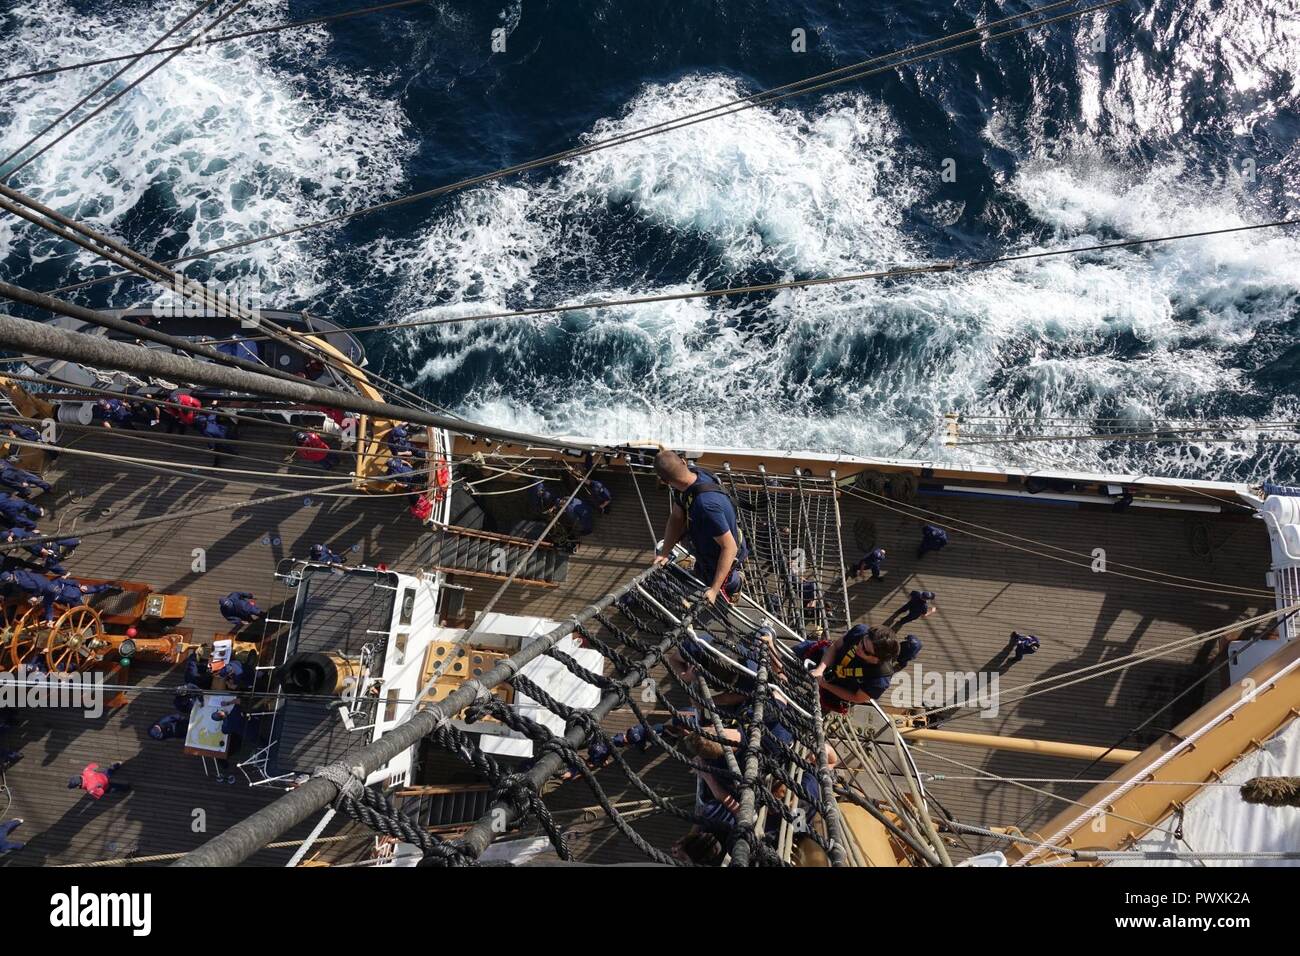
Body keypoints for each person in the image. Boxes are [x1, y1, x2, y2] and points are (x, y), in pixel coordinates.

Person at [651, 450, 748, 605]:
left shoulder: (704, 506)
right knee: (702, 570)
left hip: (720, 555)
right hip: (708, 546)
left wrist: (714, 590)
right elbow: (677, 517)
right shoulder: (697, 475)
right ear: (683, 461)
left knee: (725, 581)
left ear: (665, 481)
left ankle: (735, 585)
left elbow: (729, 547)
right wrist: (664, 553)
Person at [800, 623, 901, 712]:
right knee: (800, 650)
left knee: (805, 709)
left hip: (836, 691)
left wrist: (824, 684)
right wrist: (820, 670)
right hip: (827, 661)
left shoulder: (879, 680)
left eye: (866, 651)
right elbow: (835, 646)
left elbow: (856, 697)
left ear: (878, 659)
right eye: (862, 642)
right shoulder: (860, 632)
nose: (859, 648)